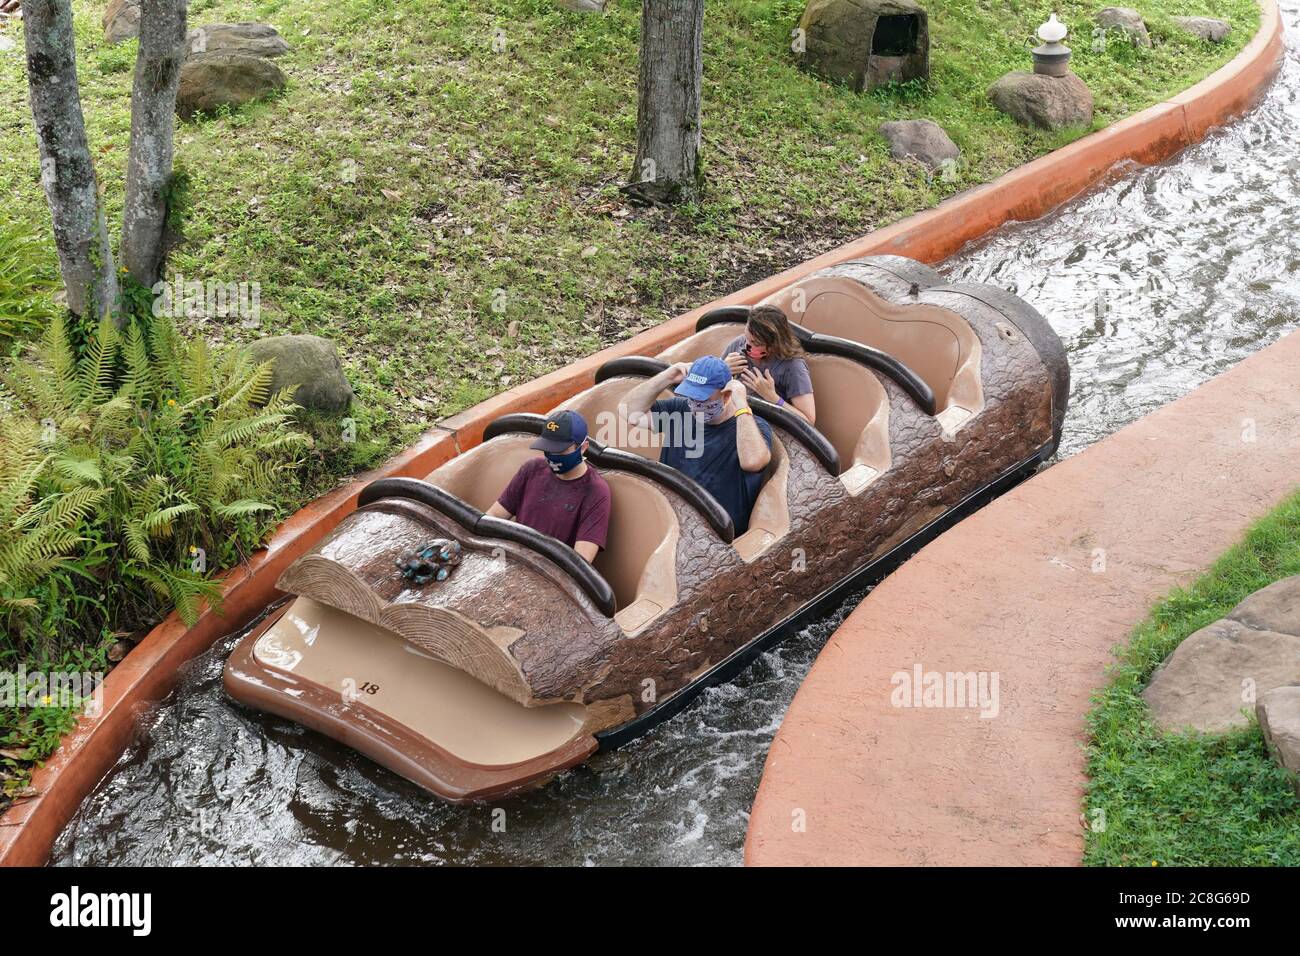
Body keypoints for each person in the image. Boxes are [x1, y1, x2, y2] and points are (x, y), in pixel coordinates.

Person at [620, 355, 772, 536]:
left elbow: (753, 462)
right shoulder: (681, 409)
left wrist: (741, 404)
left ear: (725, 396)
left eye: (703, 399)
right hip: (671, 516)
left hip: (713, 531)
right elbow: (628, 412)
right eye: (691, 397)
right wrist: (666, 377)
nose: (694, 405)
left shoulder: (752, 426)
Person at [487, 409, 611, 563]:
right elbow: (493, 516)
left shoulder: (596, 491)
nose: (553, 456)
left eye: (560, 450)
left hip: (552, 574)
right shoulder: (532, 468)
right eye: (549, 449)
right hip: (515, 561)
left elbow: (581, 562)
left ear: (583, 447)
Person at [721, 305, 816, 425]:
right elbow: (709, 389)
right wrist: (722, 370)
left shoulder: (793, 366)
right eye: (747, 338)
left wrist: (772, 398)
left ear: (775, 344)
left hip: (770, 426)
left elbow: (808, 421)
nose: (746, 345)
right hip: (735, 417)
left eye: (755, 342)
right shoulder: (738, 345)